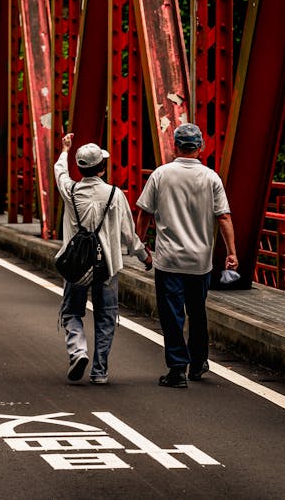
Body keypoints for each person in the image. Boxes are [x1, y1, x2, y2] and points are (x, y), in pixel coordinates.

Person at [135, 122, 238, 388]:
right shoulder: (211, 177)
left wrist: (141, 243)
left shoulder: (161, 174)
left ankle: (177, 369)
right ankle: (199, 362)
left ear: (175, 146)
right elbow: (224, 216)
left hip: (168, 260)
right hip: (201, 261)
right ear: (200, 146)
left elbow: (145, 212)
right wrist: (231, 252)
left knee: (171, 315)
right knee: (197, 312)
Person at [55, 132, 152, 385]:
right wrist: (144, 257)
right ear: (102, 167)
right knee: (106, 316)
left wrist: (65, 149)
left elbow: (59, 172)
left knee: (71, 312)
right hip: (106, 266)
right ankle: (100, 371)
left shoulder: (70, 190)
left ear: (80, 167)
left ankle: (78, 351)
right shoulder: (114, 194)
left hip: (77, 267)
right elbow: (128, 234)